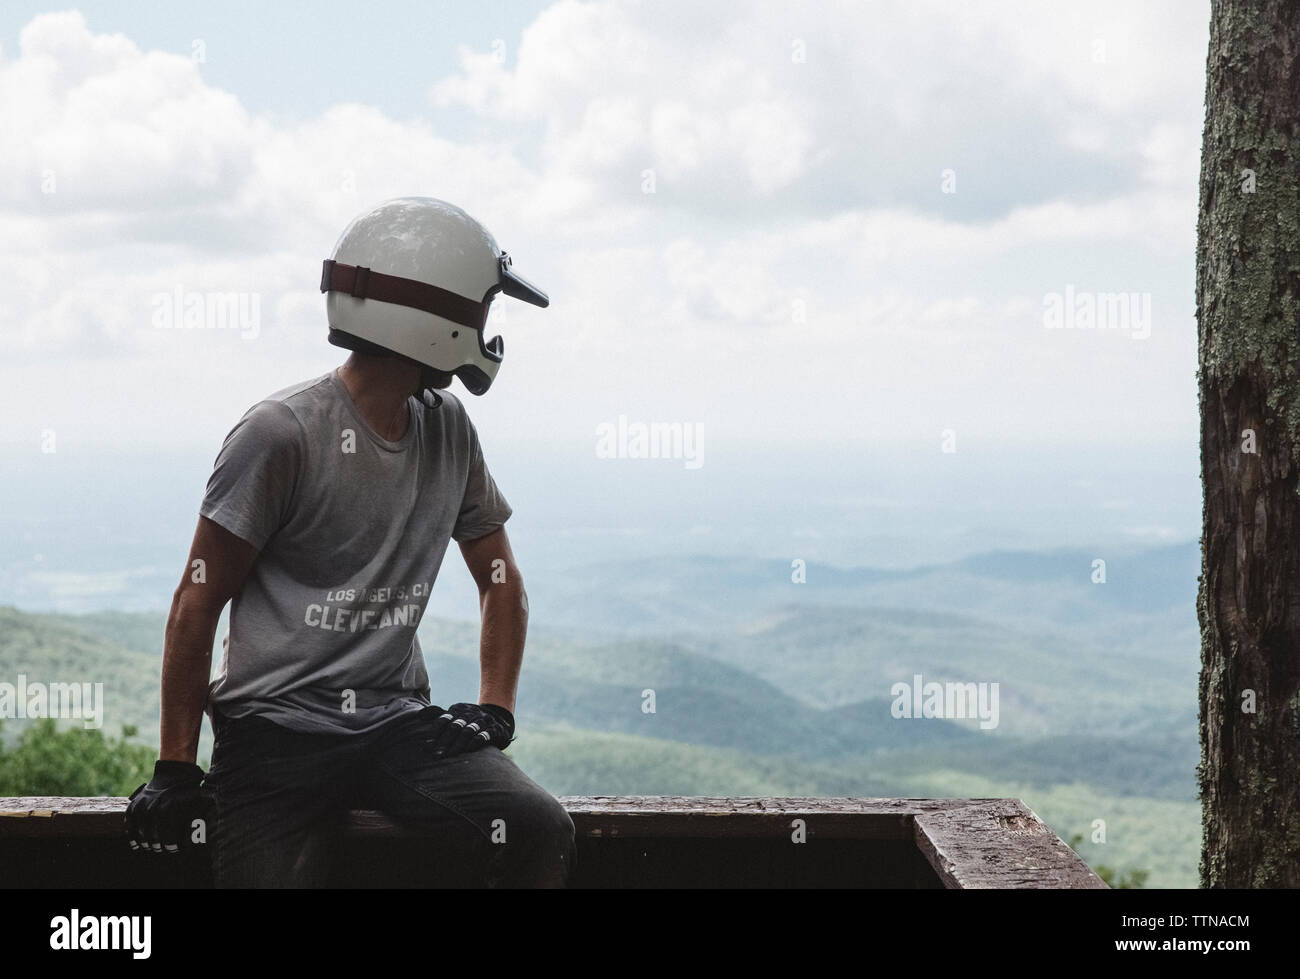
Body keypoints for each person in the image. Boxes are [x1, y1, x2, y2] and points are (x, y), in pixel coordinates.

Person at [125, 197, 575, 887]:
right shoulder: (280, 433)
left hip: (396, 724)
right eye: (482, 310)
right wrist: (175, 767)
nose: (486, 331)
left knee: (537, 829)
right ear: (441, 315)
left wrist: (494, 709)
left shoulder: (449, 429)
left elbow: (500, 581)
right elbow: (198, 601)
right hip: (272, 732)